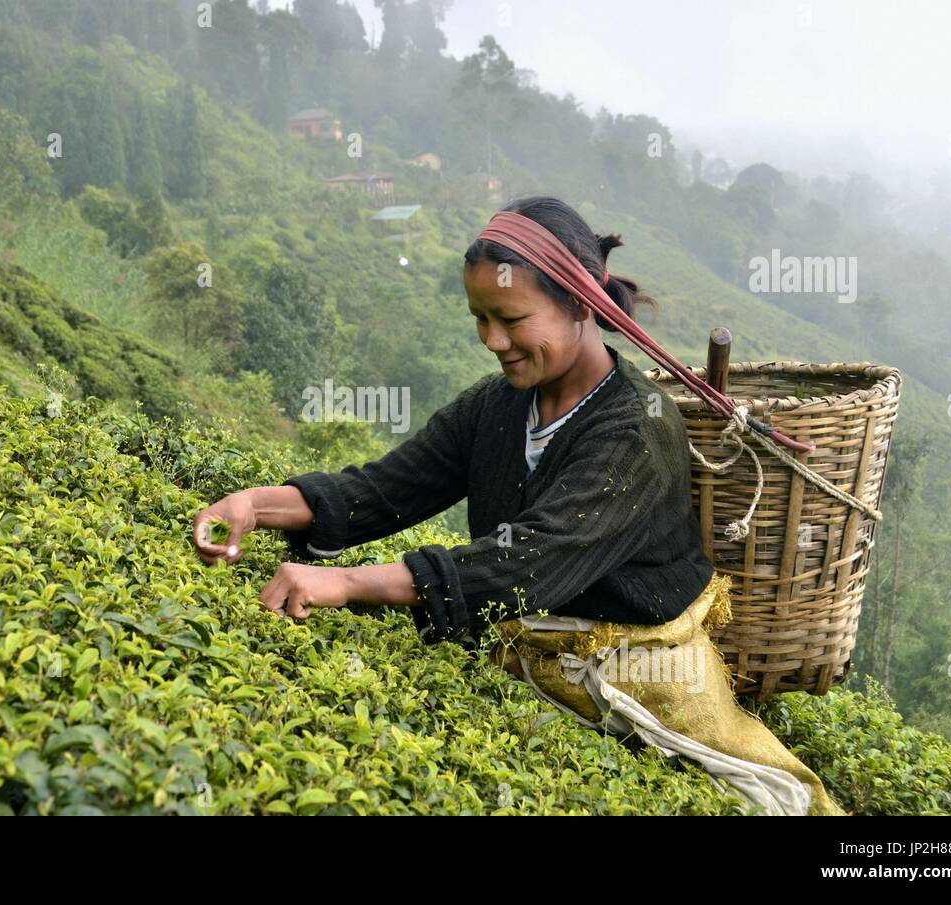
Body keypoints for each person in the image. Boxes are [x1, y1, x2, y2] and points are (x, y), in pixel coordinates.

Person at [191, 195, 715, 654]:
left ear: (579, 304)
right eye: (480, 319)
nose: (492, 340)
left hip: (623, 656)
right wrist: (253, 506)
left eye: (511, 320)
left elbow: (527, 564)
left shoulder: (636, 430)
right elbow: (383, 489)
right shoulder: (498, 405)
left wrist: (345, 582)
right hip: (517, 643)